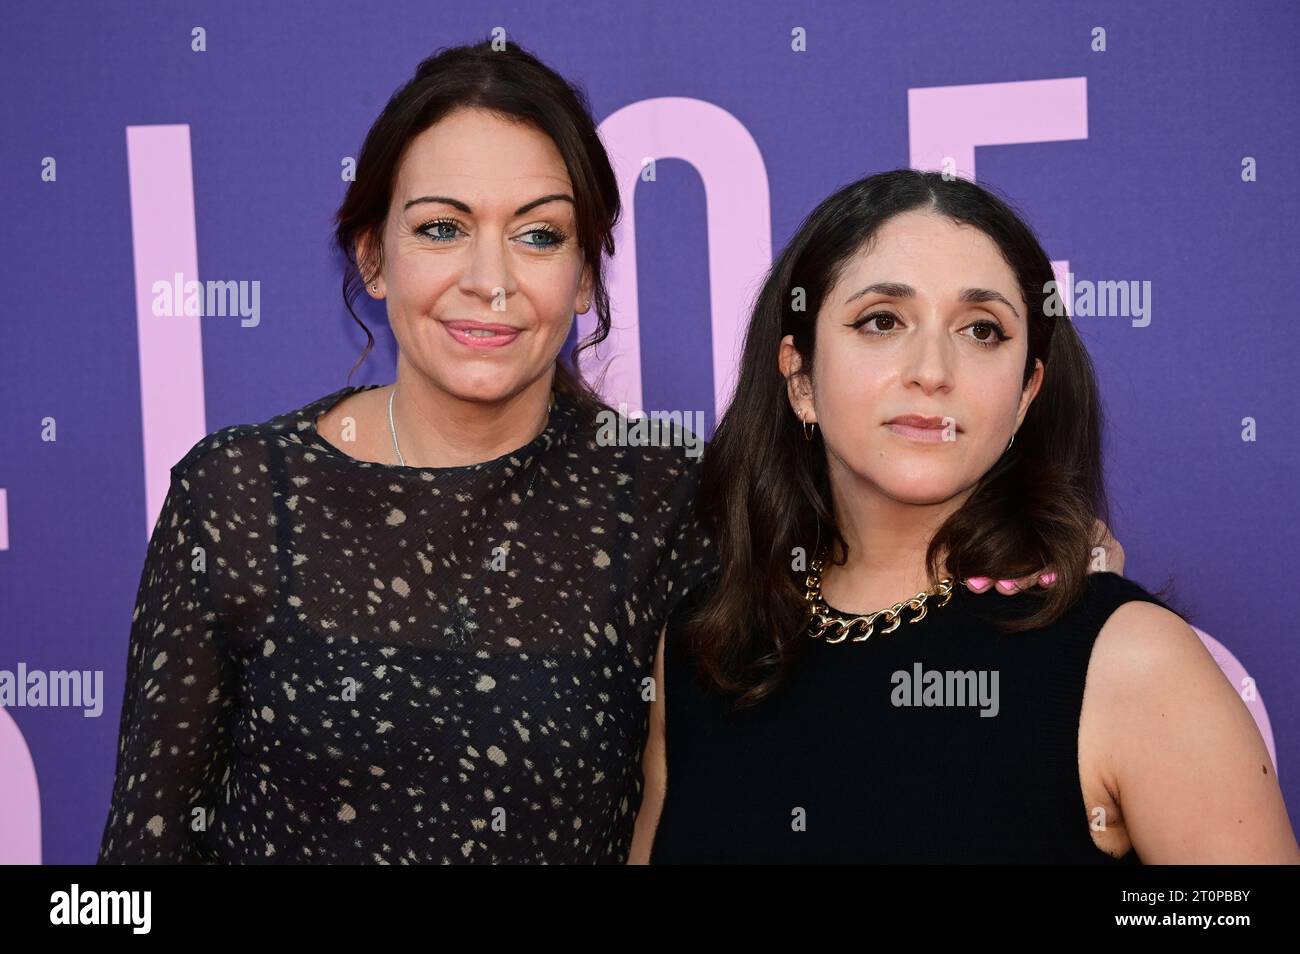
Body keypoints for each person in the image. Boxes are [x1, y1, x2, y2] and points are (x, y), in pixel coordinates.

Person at [99, 41, 1080, 866]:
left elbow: (855, 653)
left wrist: (1051, 619)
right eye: (441, 227)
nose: (489, 280)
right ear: (371, 256)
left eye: (538, 234)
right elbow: (139, 858)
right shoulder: (240, 490)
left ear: (582, 275)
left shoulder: (666, 498)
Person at [635, 169, 1300, 864]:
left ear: (1025, 394)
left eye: (983, 330)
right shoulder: (702, 648)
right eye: (882, 321)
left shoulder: (1130, 660)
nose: (932, 369)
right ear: (801, 379)